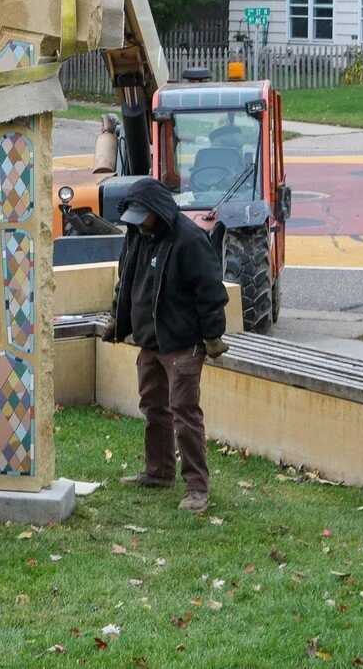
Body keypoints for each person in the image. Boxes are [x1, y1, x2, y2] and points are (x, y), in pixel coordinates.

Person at [105, 177, 230, 513]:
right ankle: (159, 472)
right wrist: (119, 319)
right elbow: (126, 281)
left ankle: (197, 488)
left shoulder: (190, 240)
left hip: (182, 344)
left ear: (157, 211)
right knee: (153, 408)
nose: (137, 222)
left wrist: (212, 335)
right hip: (150, 341)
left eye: (141, 215)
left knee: (184, 414)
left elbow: (211, 291)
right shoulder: (136, 235)